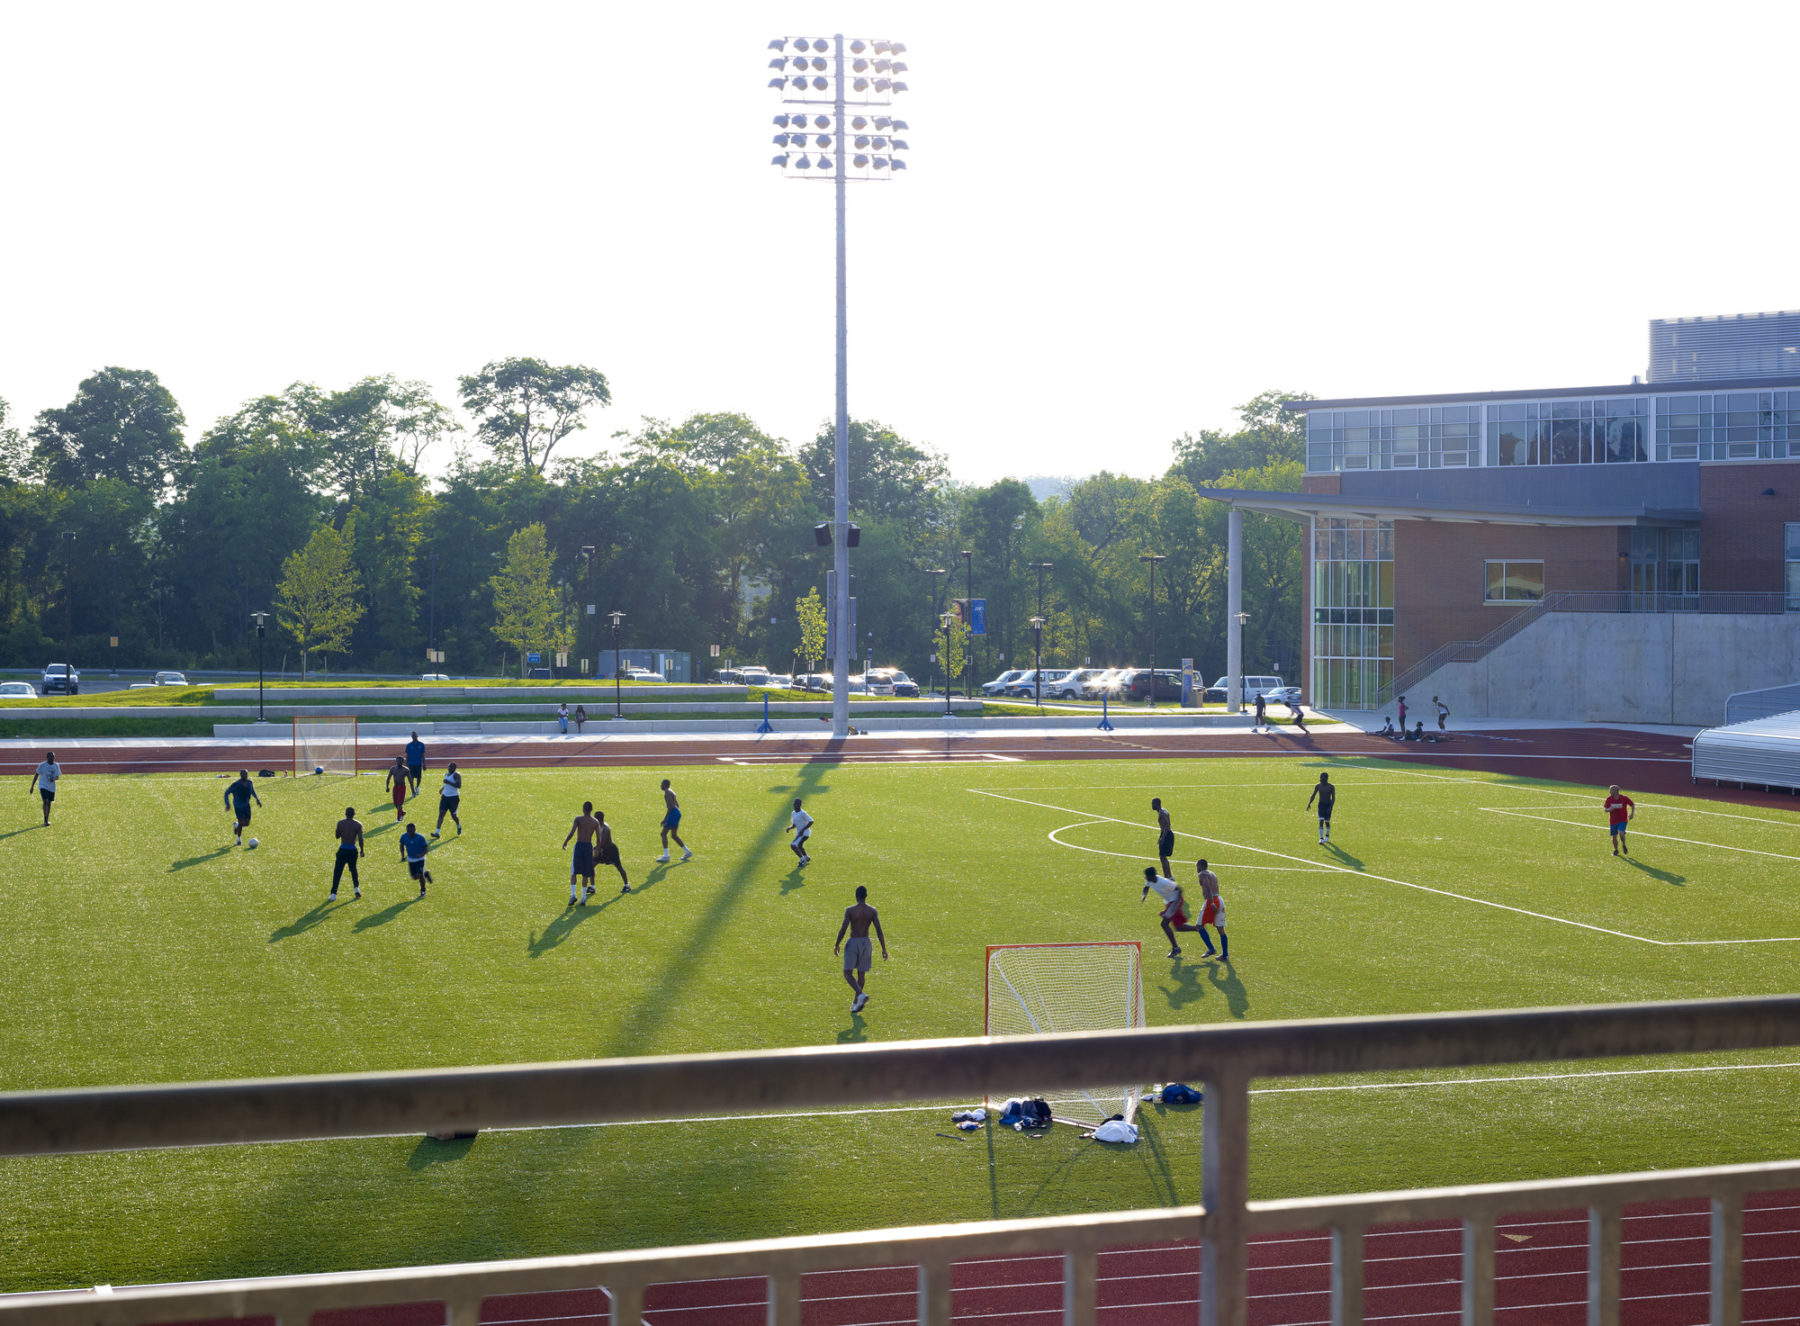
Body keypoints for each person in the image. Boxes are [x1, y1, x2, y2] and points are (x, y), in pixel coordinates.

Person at [834, 884, 888, 1013]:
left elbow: (843, 929)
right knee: (861, 973)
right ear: (866, 896)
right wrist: (883, 949)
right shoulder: (872, 911)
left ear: (856, 896)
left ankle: (860, 994)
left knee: (847, 972)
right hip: (866, 943)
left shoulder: (850, 910)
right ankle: (856, 1003)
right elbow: (879, 930)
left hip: (853, 942)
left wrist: (837, 944)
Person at [1141, 865, 1199, 959]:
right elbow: (1146, 887)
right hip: (1170, 902)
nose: (1145, 878)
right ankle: (1198, 928)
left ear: (1152, 876)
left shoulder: (1164, 882)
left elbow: (1179, 889)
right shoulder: (1149, 880)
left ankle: (1175, 948)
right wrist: (1144, 896)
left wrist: (1175, 904)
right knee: (1178, 927)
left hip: (1176, 900)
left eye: (1146, 876)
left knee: (1164, 924)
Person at [563, 802, 601, 905]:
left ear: (583, 809)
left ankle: (573, 895)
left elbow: (572, 832)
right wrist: (597, 849)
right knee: (586, 873)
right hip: (588, 847)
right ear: (591, 809)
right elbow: (598, 838)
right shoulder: (595, 822)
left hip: (579, 846)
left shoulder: (578, 819)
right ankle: (583, 898)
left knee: (574, 871)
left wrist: (565, 842)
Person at [1195, 859, 1229, 961]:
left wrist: (1211, 902)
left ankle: (1211, 949)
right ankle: (1225, 955)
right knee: (1220, 929)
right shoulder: (1212, 874)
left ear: (1200, 866)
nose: (1196, 869)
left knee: (1199, 926)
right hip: (1219, 899)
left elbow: (1208, 888)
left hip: (1211, 901)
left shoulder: (1202, 874)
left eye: (1197, 867)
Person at [331, 806, 365, 901]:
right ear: (354, 814)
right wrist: (362, 850)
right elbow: (361, 838)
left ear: (345, 814)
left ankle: (334, 893)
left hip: (343, 849)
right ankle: (356, 888)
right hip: (352, 850)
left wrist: (341, 830)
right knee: (353, 870)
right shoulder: (358, 825)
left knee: (337, 872)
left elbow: (337, 836)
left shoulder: (341, 823)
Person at [223, 768, 262, 846]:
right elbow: (226, 793)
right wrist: (228, 804)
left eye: (246, 774)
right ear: (240, 775)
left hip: (246, 805)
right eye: (243, 774)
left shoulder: (250, 783)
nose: (244, 775)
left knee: (246, 823)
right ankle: (239, 840)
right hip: (238, 806)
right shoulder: (236, 784)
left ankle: (237, 826)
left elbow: (252, 791)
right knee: (241, 822)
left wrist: (257, 799)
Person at [656, 778, 691, 862]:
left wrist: (665, 819)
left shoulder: (667, 792)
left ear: (664, 785)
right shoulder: (672, 791)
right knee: (673, 836)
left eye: (661, 784)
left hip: (673, 813)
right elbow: (677, 804)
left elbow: (670, 806)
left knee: (663, 834)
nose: (660, 785)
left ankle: (666, 856)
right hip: (677, 812)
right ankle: (687, 852)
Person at [596, 809, 629, 893]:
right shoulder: (600, 826)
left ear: (598, 819)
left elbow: (602, 843)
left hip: (611, 851)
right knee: (591, 864)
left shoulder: (605, 829)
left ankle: (627, 885)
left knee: (619, 867)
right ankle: (592, 887)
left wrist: (595, 848)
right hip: (603, 849)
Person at [398, 821, 433, 896]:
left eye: (410, 831)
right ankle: (425, 874)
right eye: (407, 831)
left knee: (420, 876)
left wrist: (420, 855)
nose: (409, 833)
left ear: (414, 830)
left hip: (420, 859)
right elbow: (401, 845)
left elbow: (426, 849)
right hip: (411, 859)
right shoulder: (404, 836)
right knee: (414, 877)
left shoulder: (420, 838)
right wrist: (403, 856)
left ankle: (423, 890)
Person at [27, 751, 61, 827]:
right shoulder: (42, 765)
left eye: (53, 757)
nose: (52, 758)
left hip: (51, 788)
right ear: (47, 758)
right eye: (50, 757)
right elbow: (36, 775)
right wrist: (32, 786)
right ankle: (45, 820)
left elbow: (58, 776)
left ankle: (47, 817)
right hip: (43, 786)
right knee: (45, 801)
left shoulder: (56, 765)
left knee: (49, 803)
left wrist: (54, 779)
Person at [1604, 785, 1635, 856]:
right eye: (1610, 790)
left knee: (1621, 833)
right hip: (1613, 821)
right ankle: (1616, 850)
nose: (1610, 791)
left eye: (1611, 790)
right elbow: (1605, 809)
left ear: (1616, 791)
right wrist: (1609, 809)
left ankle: (1623, 844)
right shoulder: (1609, 799)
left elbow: (1632, 805)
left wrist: (1632, 814)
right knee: (1614, 838)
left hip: (1623, 820)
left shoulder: (1624, 798)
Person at [1306, 772, 1336, 845]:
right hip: (1321, 805)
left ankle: (1327, 836)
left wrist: (1331, 807)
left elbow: (1333, 798)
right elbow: (1313, 795)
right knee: (1321, 821)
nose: (1320, 779)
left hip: (1328, 805)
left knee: (1327, 822)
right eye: (1320, 778)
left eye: (1322, 778)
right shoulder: (1318, 786)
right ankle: (1321, 838)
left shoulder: (1331, 787)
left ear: (1326, 778)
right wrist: (1309, 803)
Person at [433, 761, 462, 837]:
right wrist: (442, 789)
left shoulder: (456, 775)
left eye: (451, 767)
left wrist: (448, 782)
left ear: (455, 768)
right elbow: (445, 784)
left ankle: (458, 825)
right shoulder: (447, 774)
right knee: (441, 815)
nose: (449, 768)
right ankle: (437, 832)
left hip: (453, 798)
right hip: (445, 797)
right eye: (449, 767)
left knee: (453, 816)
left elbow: (459, 785)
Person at [1151, 797, 1176, 876]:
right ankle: (1168, 875)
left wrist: (1162, 837)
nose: (1152, 805)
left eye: (1153, 804)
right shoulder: (1163, 811)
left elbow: (1167, 826)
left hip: (1166, 835)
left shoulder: (1162, 813)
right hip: (1166, 834)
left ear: (1157, 804)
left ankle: (1168, 875)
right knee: (1163, 856)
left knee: (1162, 856)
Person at [790, 797, 813, 867]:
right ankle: (806, 857)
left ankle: (802, 859)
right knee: (799, 845)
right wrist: (790, 827)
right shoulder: (793, 813)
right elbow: (794, 824)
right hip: (799, 833)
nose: (795, 805)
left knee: (793, 845)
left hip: (805, 833)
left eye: (797, 804)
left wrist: (803, 830)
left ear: (800, 805)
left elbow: (811, 821)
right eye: (794, 804)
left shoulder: (803, 813)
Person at [385, 755, 409, 822]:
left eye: (400, 761)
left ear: (402, 762)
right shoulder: (392, 769)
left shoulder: (405, 770)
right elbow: (388, 778)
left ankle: (399, 818)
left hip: (402, 787)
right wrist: (387, 787)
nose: (398, 762)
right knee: (395, 803)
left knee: (399, 804)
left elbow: (410, 780)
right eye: (397, 761)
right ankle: (402, 812)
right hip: (395, 787)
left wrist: (413, 790)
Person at [404, 731, 426, 797]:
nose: (414, 737)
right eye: (413, 736)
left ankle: (417, 787)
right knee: (411, 778)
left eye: (415, 736)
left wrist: (424, 764)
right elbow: (407, 755)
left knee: (419, 777)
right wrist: (406, 764)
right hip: (411, 764)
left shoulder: (421, 744)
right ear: (411, 737)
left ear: (417, 736)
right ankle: (412, 791)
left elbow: (423, 755)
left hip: (418, 764)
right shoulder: (409, 745)